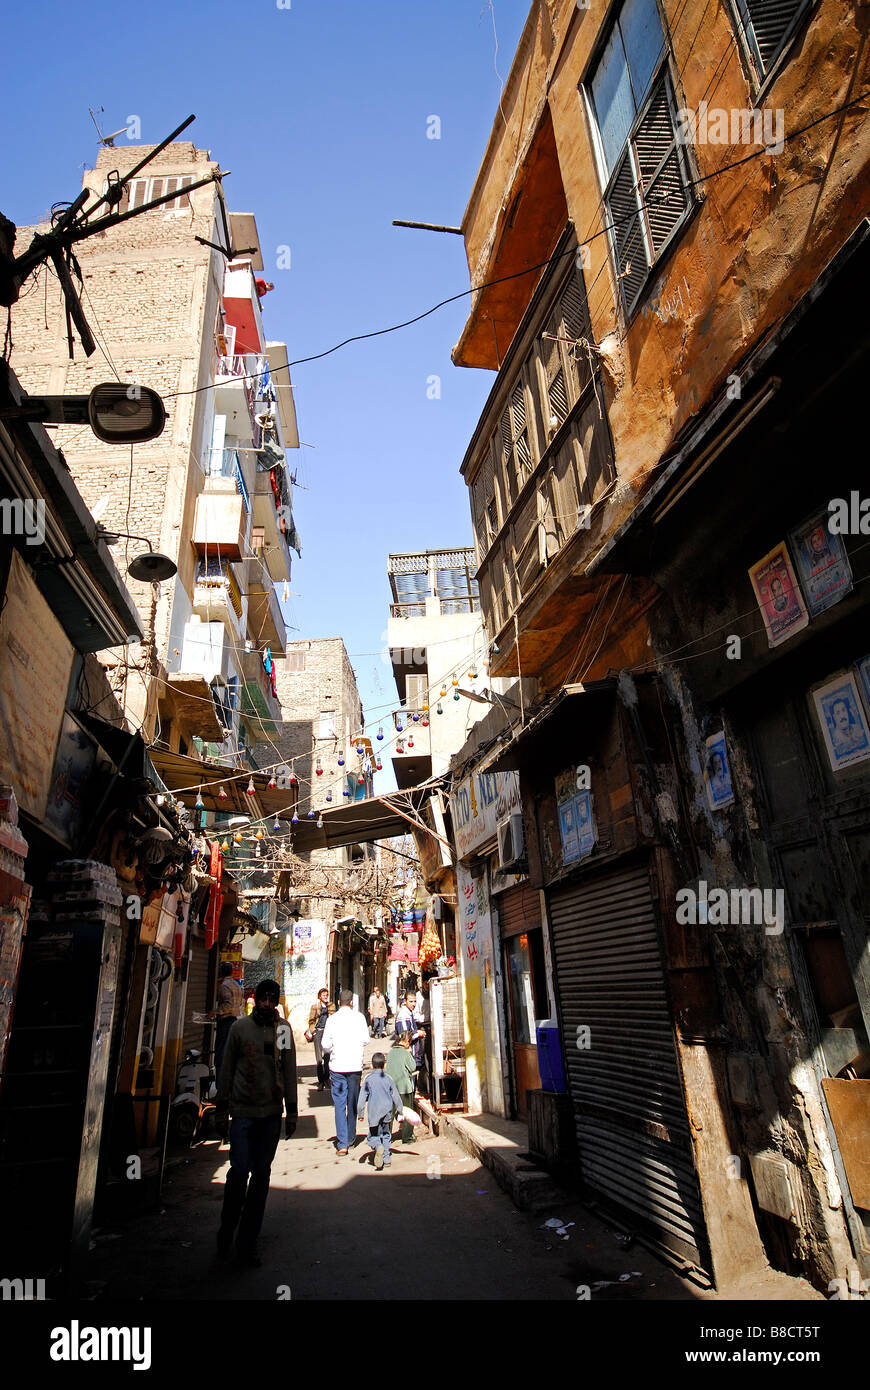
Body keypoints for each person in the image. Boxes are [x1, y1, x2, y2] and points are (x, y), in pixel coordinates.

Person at [215, 978, 297, 1266]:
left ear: (276, 1001)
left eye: (271, 999)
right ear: (255, 1000)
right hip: (242, 1114)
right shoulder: (240, 1029)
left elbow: (288, 1069)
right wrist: (221, 1109)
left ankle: (247, 1243)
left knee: (261, 1177)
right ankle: (227, 1230)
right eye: (262, 998)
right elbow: (225, 1069)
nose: (266, 1003)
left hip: (271, 1115)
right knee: (238, 1173)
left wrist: (293, 1111)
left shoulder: (282, 1030)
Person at [321, 989, 370, 1155]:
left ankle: (342, 1143)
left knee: (340, 1104)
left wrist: (336, 1049)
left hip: (338, 1068)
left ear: (338, 1002)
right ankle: (350, 1137)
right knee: (353, 1102)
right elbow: (366, 1040)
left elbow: (325, 1045)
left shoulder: (332, 1020)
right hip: (354, 1067)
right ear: (351, 1003)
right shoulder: (359, 1018)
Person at [356, 1052, 403, 1170]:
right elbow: (396, 1096)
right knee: (386, 1134)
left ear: (372, 1066)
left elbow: (362, 1097)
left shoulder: (368, 1080)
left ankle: (378, 1146)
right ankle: (387, 1158)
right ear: (385, 1065)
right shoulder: (388, 1079)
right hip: (387, 1112)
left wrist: (360, 1113)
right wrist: (400, 1110)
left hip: (374, 1113)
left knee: (373, 1135)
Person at [385, 1032, 417, 1145]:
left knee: (389, 1113)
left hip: (391, 1088)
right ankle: (407, 1136)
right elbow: (413, 1067)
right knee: (407, 1112)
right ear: (407, 1041)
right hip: (404, 1088)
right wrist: (410, 1054)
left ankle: (386, 1136)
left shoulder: (390, 1053)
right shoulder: (406, 1053)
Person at [214, 962, 243, 1078]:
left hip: (225, 1021)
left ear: (221, 971)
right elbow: (239, 1003)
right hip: (234, 1020)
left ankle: (221, 1082)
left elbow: (228, 1005)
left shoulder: (224, 986)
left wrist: (214, 1012)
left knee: (221, 1052)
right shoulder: (236, 985)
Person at [306, 987, 335, 1090]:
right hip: (318, 1032)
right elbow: (311, 1021)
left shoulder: (331, 1006)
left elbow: (333, 1019)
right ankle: (320, 1081)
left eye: (326, 995)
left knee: (327, 1056)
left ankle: (327, 1078)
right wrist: (313, 1032)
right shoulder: (315, 1007)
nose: (325, 997)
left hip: (327, 1033)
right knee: (319, 1059)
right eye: (323, 995)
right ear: (319, 997)